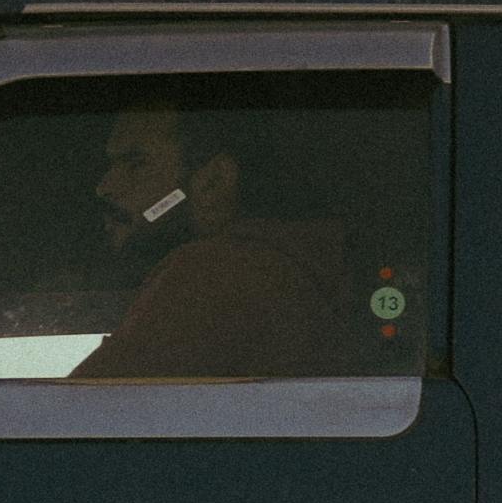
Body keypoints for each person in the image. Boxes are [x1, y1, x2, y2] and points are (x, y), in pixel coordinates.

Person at [79, 100, 369, 379]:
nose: (104, 187)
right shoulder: (288, 268)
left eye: (136, 163)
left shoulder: (215, 271)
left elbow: (82, 412)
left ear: (213, 181)